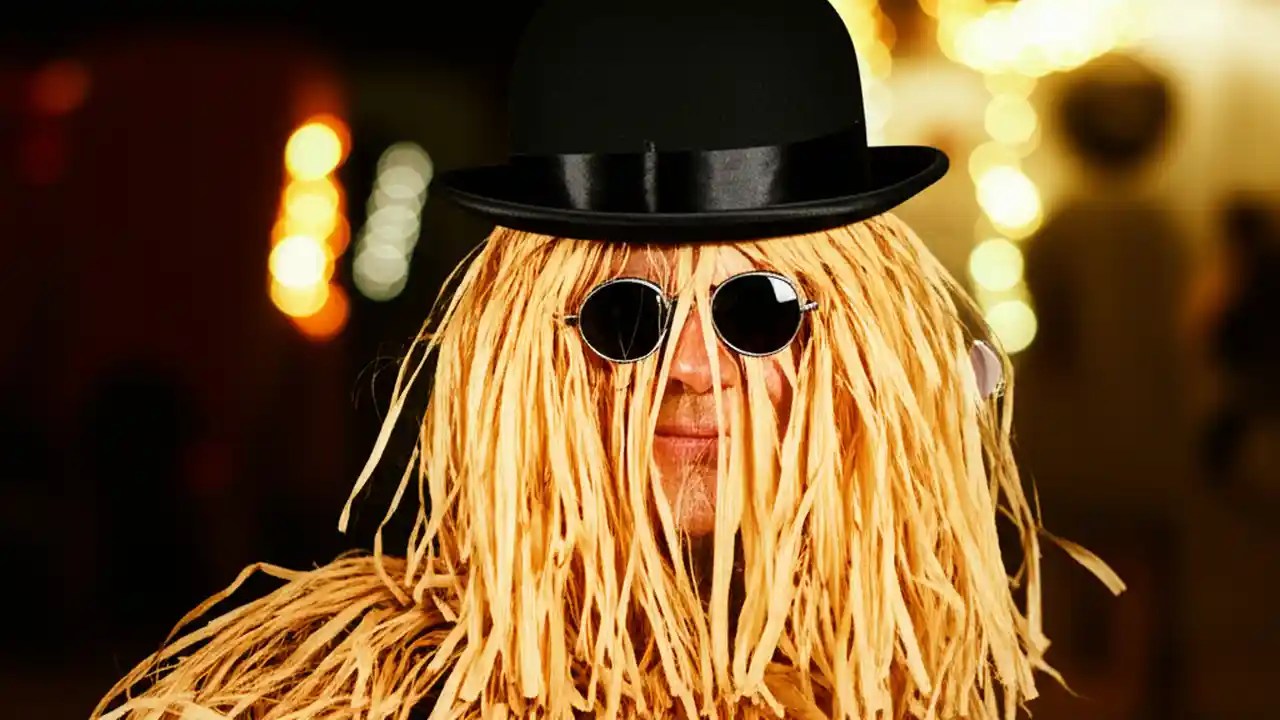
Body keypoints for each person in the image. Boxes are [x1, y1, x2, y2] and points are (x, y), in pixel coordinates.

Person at [93, 1, 1119, 718]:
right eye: (622, 316)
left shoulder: (913, 686)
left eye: (755, 309)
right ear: (515, 351)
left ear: (854, 337)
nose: (688, 369)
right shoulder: (354, 696)